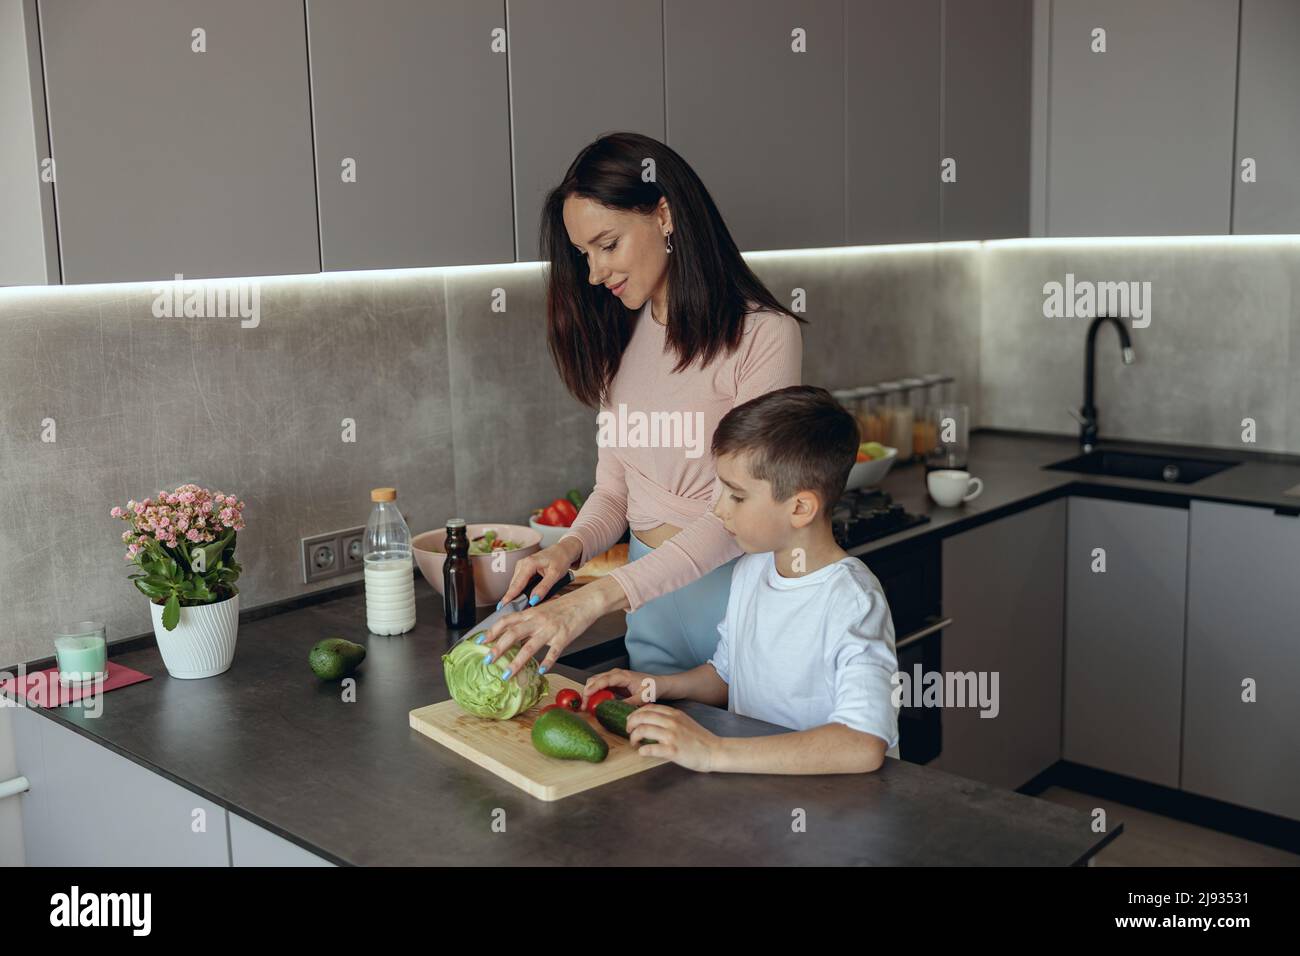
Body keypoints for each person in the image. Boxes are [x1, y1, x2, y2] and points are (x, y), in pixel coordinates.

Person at [480, 132, 803, 677]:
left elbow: (743, 514)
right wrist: (571, 548)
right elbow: (615, 490)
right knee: (654, 759)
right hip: (649, 603)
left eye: (608, 245)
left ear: (665, 216)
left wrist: (595, 598)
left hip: (737, 595)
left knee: (740, 754)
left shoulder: (764, 337)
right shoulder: (617, 339)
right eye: (584, 254)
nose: (594, 273)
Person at [580, 386, 900, 774]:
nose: (718, 510)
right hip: (762, 798)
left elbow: (862, 744)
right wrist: (659, 685)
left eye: (736, 496)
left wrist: (714, 752)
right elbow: (727, 675)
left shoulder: (851, 600)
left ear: (800, 507)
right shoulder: (753, 568)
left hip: (835, 814)